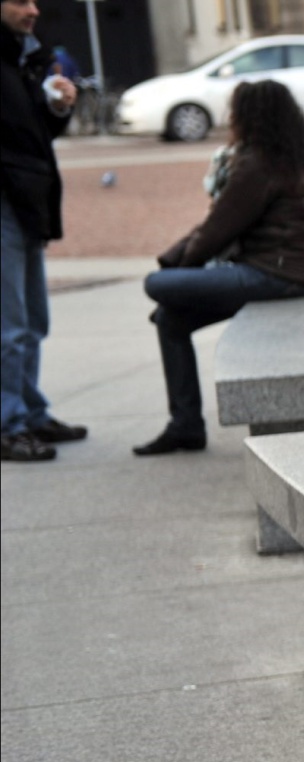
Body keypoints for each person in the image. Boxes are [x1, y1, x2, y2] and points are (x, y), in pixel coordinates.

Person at [134, 80, 304, 456]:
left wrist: (173, 269)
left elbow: (217, 229)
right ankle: (185, 426)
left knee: (157, 286)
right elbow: (219, 225)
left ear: (251, 117)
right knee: (170, 320)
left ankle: (185, 424)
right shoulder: (287, 157)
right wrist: (179, 266)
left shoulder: (259, 164)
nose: (230, 118)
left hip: (275, 275)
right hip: (290, 272)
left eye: (234, 111)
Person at [1, 0, 86, 463]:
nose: (33, 10)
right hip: (8, 200)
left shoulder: (25, 59)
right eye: (19, 1)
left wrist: (55, 109)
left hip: (28, 200)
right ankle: (7, 423)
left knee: (32, 320)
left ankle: (30, 413)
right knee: (8, 326)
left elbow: (31, 133)